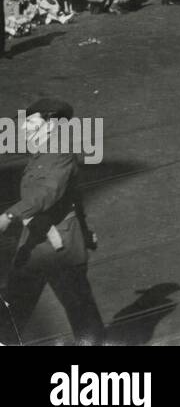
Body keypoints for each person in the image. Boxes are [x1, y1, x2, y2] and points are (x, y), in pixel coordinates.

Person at [0, 98, 105, 346]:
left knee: (79, 307)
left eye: (31, 122)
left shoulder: (59, 152)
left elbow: (47, 193)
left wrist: (9, 216)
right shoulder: (41, 154)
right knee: (15, 303)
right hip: (36, 243)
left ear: (51, 124)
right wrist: (87, 230)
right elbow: (74, 197)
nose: (24, 128)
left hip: (59, 247)